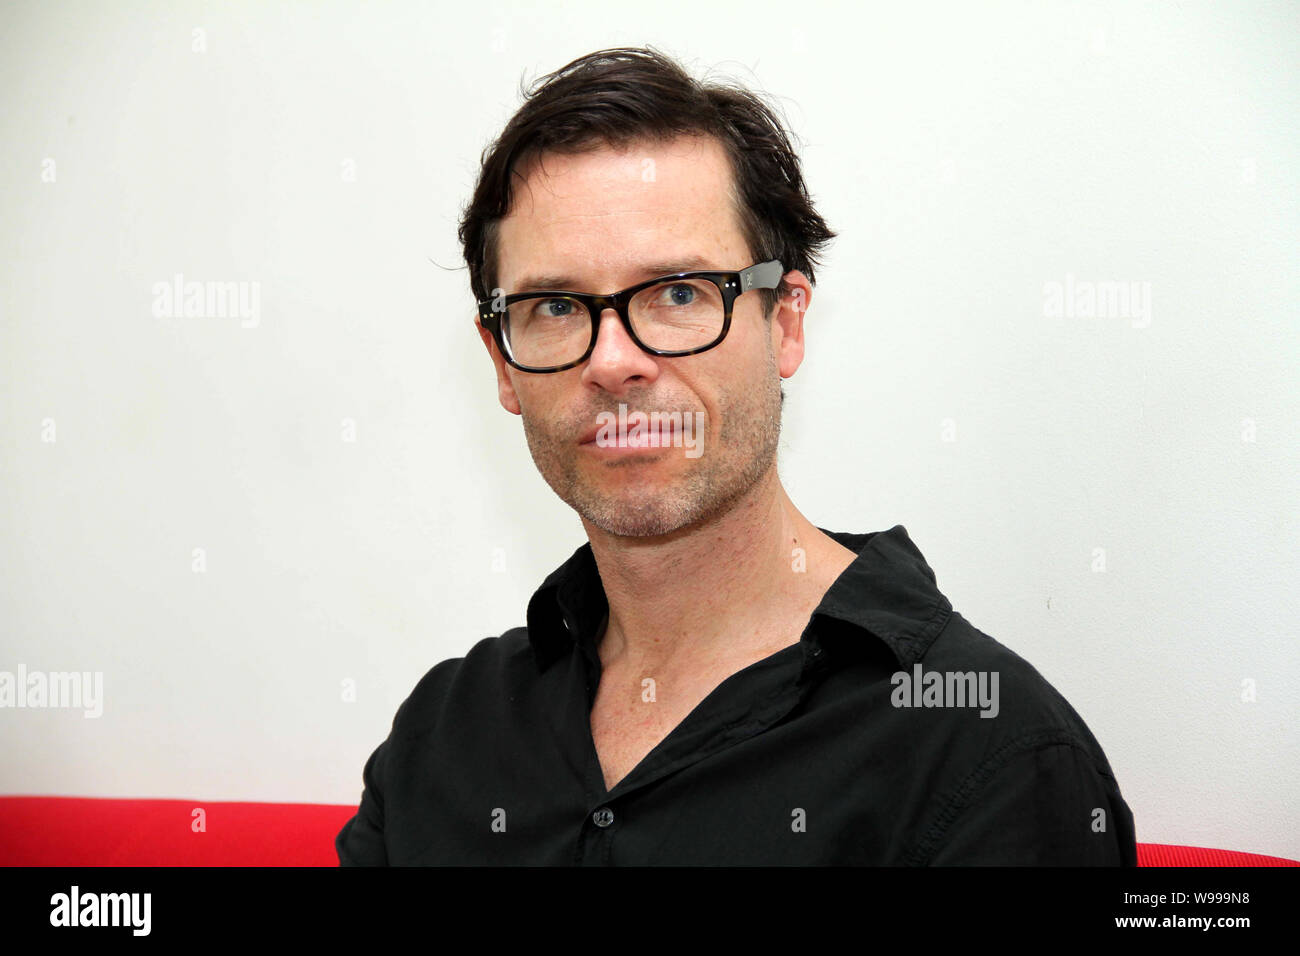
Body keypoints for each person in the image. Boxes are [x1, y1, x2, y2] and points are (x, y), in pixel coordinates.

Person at [336, 45, 1137, 865]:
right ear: (503, 364)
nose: (613, 361)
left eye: (680, 293)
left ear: (785, 323)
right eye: (555, 306)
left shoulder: (985, 750)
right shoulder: (444, 735)